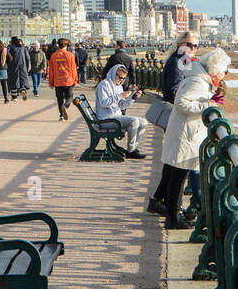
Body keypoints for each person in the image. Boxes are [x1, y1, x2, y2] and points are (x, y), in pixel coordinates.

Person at [151, 48, 230, 228]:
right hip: (185, 134)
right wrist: (206, 105)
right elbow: (181, 103)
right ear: (215, 70)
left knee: (175, 174)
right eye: (222, 72)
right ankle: (174, 217)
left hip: (185, 132)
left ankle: (174, 214)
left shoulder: (198, 78)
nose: (222, 76)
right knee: (178, 176)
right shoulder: (198, 82)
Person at [95, 63, 146, 159]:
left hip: (116, 117)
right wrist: (120, 96)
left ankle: (133, 148)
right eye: (119, 77)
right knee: (134, 122)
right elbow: (103, 103)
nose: (121, 80)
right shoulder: (103, 85)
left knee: (143, 122)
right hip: (106, 119)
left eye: (123, 78)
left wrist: (133, 97)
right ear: (113, 74)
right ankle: (130, 151)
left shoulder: (118, 86)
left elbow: (121, 105)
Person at [46, 38, 78, 121]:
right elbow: (73, 69)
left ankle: (61, 116)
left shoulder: (53, 56)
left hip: (58, 80)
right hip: (68, 80)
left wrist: (51, 83)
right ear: (66, 45)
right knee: (70, 96)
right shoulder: (70, 55)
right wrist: (75, 80)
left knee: (59, 99)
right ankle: (66, 106)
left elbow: (51, 70)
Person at [7, 36, 31, 101]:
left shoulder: (10, 47)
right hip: (23, 66)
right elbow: (28, 57)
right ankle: (22, 90)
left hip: (13, 66)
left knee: (13, 81)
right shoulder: (23, 48)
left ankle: (14, 97)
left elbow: (7, 56)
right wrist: (28, 65)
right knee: (22, 79)